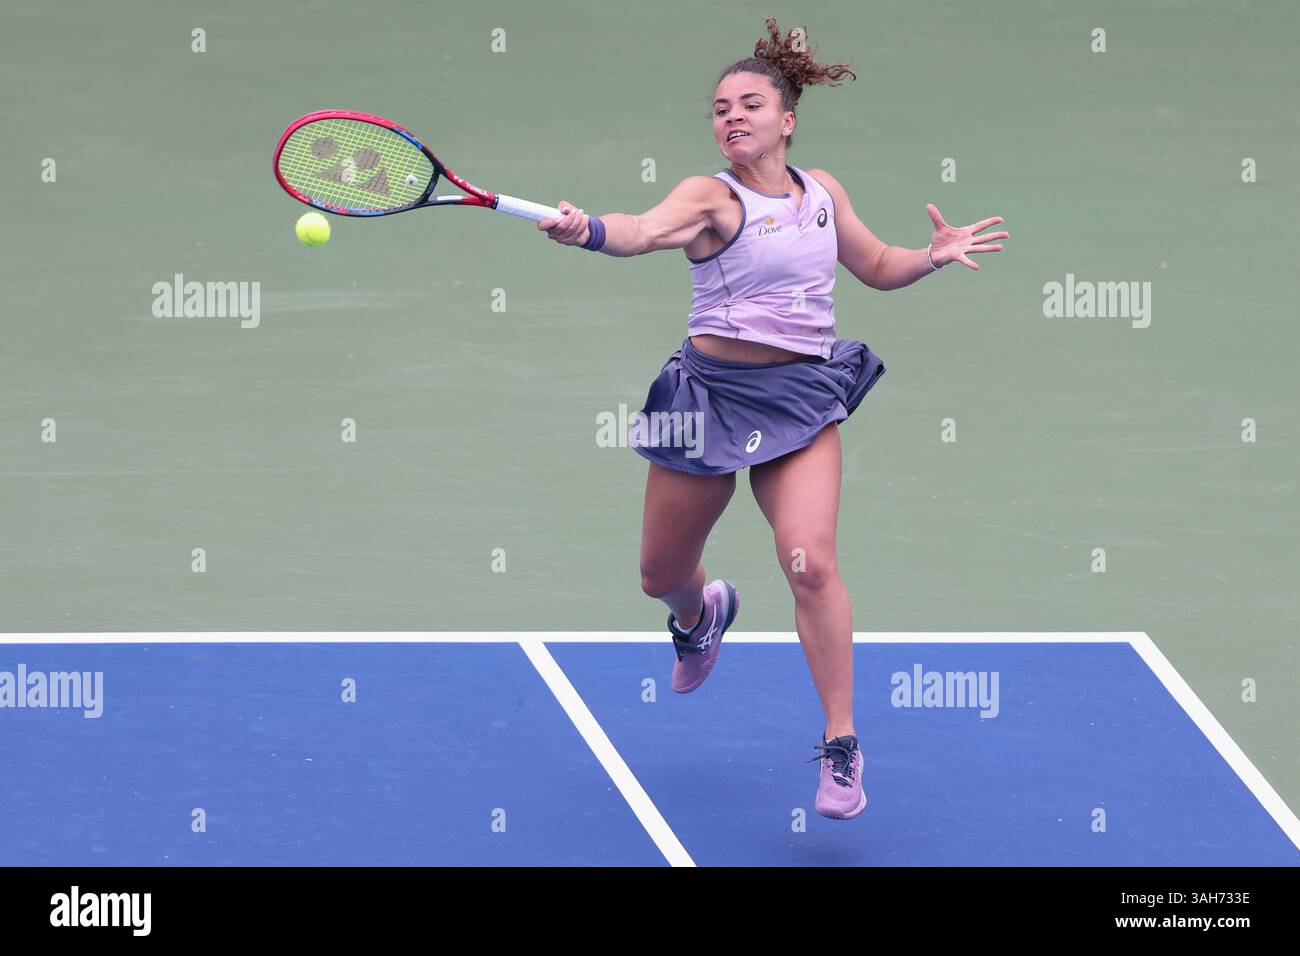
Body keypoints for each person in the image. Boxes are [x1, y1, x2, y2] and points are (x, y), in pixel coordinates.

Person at [538, 17, 1007, 820]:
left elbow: (877, 264)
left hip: (798, 401)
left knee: (811, 564)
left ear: (787, 118)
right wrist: (589, 232)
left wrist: (930, 256)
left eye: (749, 104)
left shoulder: (822, 194)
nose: (731, 118)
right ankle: (700, 614)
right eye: (720, 108)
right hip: (707, 399)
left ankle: (841, 746)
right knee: (659, 575)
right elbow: (644, 232)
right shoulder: (709, 199)